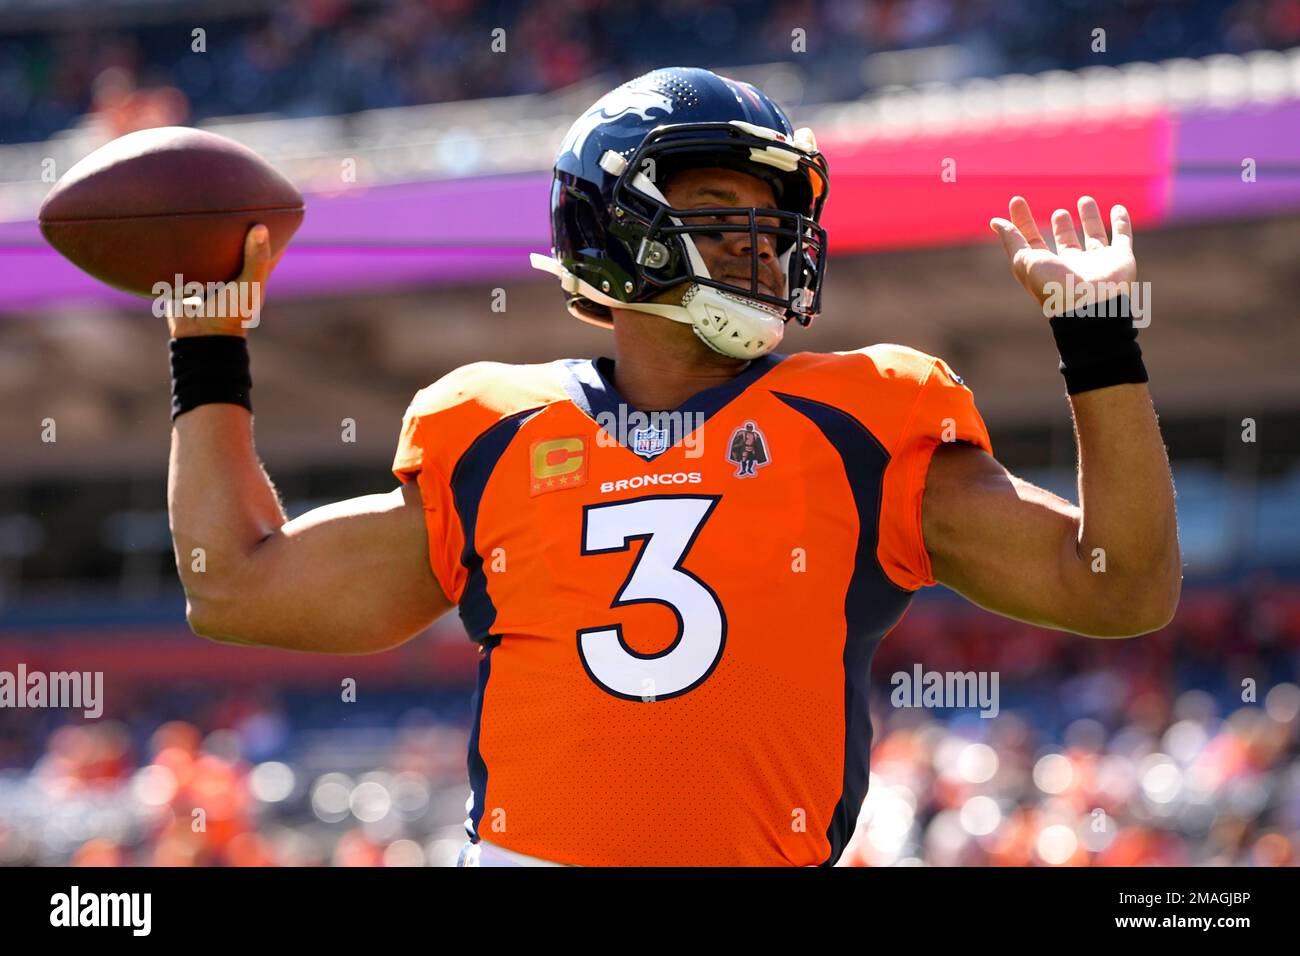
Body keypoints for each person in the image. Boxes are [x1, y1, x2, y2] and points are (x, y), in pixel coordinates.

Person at [166, 67, 1180, 867]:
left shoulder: (861, 418)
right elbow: (235, 586)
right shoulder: (491, 428)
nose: (765, 244)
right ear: (615, 225)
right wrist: (208, 343)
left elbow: (1120, 587)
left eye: (773, 217)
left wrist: (1098, 341)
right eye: (720, 205)